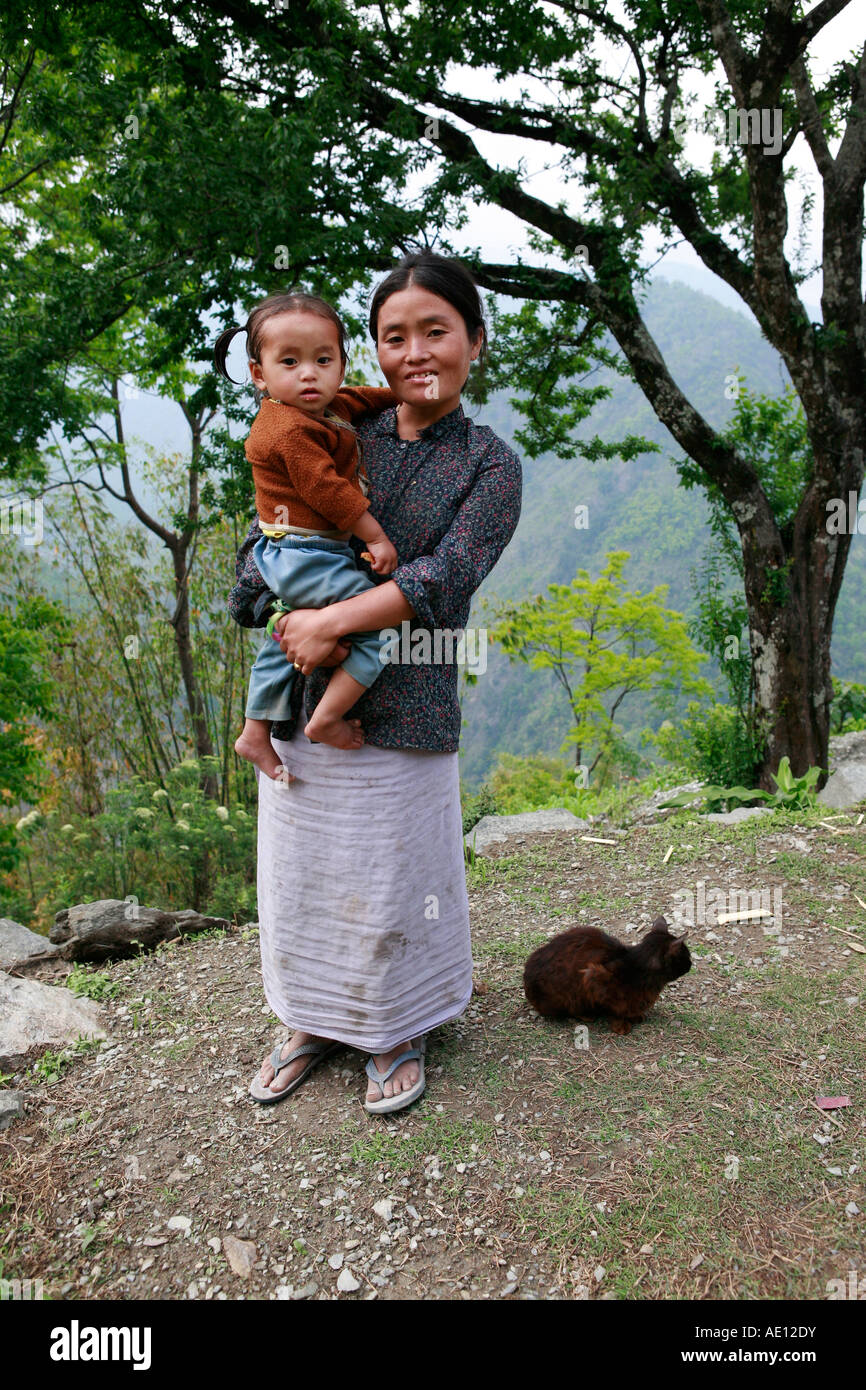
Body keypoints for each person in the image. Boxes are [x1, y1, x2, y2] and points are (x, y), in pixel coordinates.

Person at [229, 250, 522, 1113]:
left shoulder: (489, 466)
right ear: (376, 352)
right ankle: (312, 1018)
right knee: (305, 875)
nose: (415, 352)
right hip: (302, 694)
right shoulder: (332, 430)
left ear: (474, 339)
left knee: (397, 876)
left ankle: (396, 1025)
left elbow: (443, 576)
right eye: (395, 336)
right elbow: (272, 535)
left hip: (410, 704)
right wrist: (274, 599)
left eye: (436, 331)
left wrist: (334, 622)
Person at [214, 291, 400, 776]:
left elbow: (363, 399)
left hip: (301, 553)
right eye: (290, 361)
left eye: (323, 359)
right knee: (380, 629)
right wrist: (377, 539)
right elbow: (328, 491)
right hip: (304, 552)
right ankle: (326, 718)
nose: (308, 373)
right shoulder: (285, 429)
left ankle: (254, 732)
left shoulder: (326, 407)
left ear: (341, 363)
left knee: (288, 635)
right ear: (260, 374)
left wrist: (405, 394)